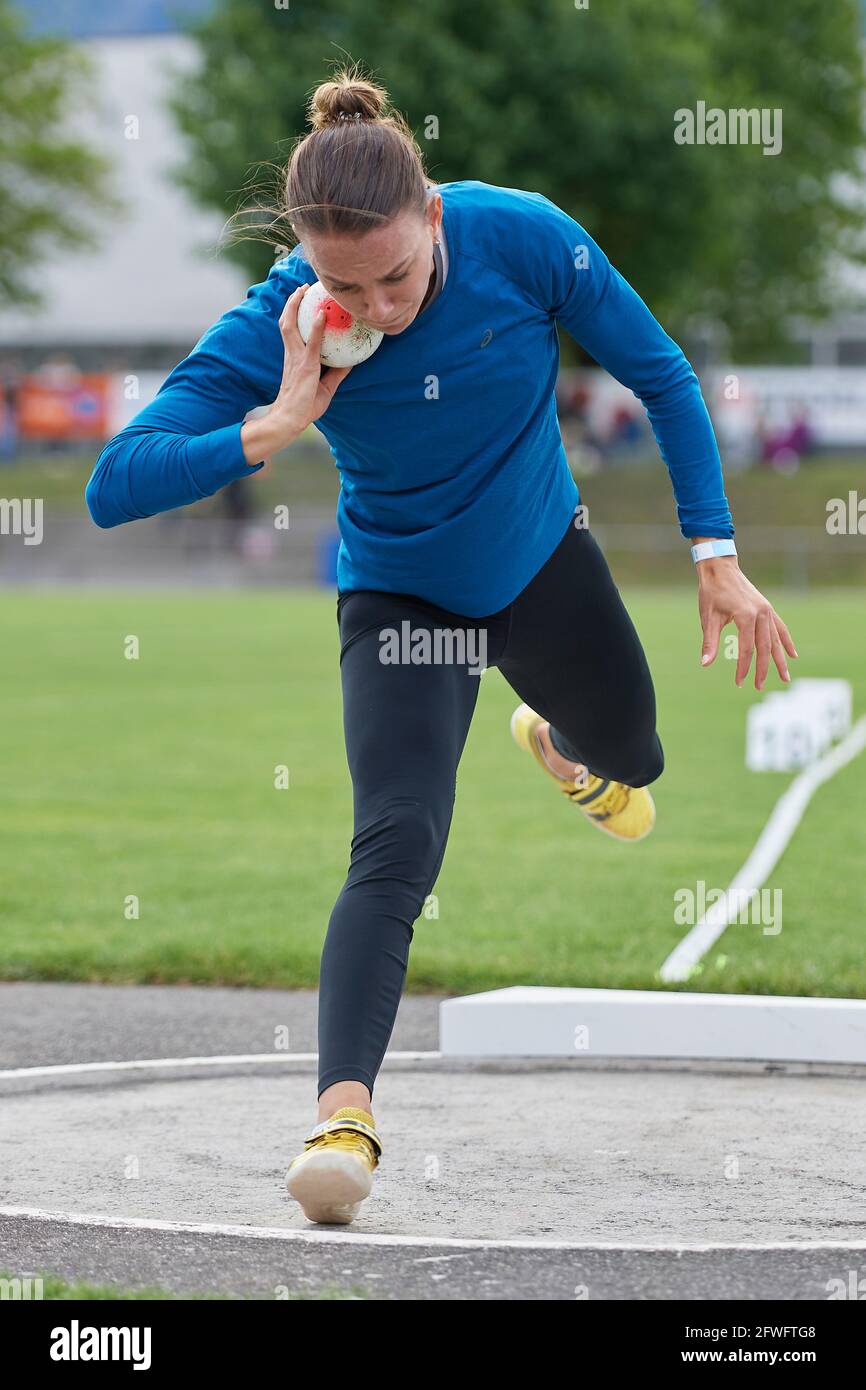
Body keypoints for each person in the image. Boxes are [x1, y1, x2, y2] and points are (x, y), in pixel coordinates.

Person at [85, 69, 798, 1226]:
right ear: (306, 262)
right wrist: (277, 420)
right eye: (343, 286)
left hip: (539, 563)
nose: (376, 309)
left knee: (636, 757)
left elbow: (661, 374)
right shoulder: (279, 318)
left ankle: (557, 745)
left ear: (430, 215)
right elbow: (115, 483)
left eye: (397, 276)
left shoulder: (523, 238)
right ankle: (342, 1121)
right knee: (395, 840)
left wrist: (712, 551)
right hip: (401, 600)